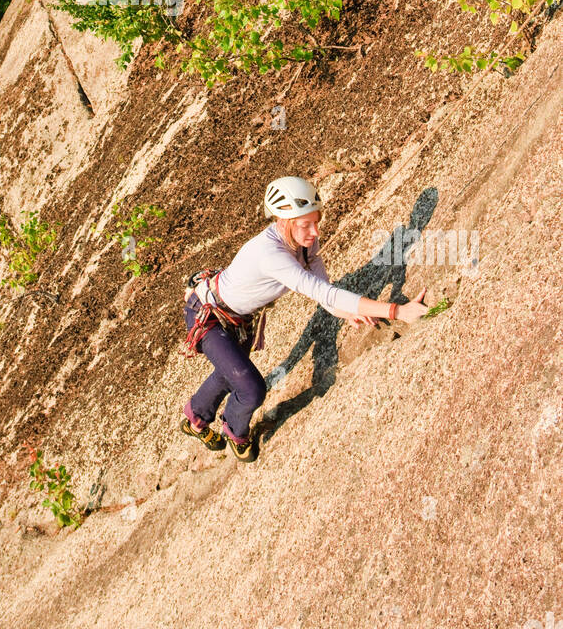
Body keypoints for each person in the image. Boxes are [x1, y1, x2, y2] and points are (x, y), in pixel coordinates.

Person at [180, 175, 429, 462]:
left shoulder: (305, 245)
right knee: (251, 388)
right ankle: (235, 430)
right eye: (305, 224)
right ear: (283, 221)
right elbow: (323, 292)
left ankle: (195, 417)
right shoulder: (271, 254)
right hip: (209, 316)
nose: (314, 231)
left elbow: (325, 292)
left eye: (316, 222)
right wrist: (396, 311)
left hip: (236, 318)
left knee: (231, 372)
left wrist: (350, 311)